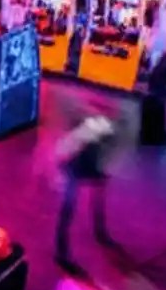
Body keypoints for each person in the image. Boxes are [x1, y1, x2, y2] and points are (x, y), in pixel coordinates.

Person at [53, 95, 136, 273]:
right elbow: (67, 147)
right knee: (69, 209)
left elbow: (111, 154)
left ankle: (98, 232)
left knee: (90, 203)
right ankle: (62, 251)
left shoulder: (110, 131)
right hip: (76, 167)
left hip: (89, 167)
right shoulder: (95, 128)